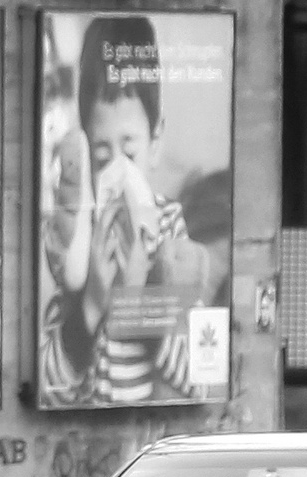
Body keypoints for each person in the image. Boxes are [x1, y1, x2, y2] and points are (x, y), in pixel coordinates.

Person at [40, 16, 220, 406]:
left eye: (130, 152)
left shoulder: (169, 227)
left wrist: (138, 304)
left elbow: (200, 378)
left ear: (155, 142)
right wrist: (91, 302)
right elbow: (47, 388)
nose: (117, 173)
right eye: (102, 155)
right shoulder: (74, 236)